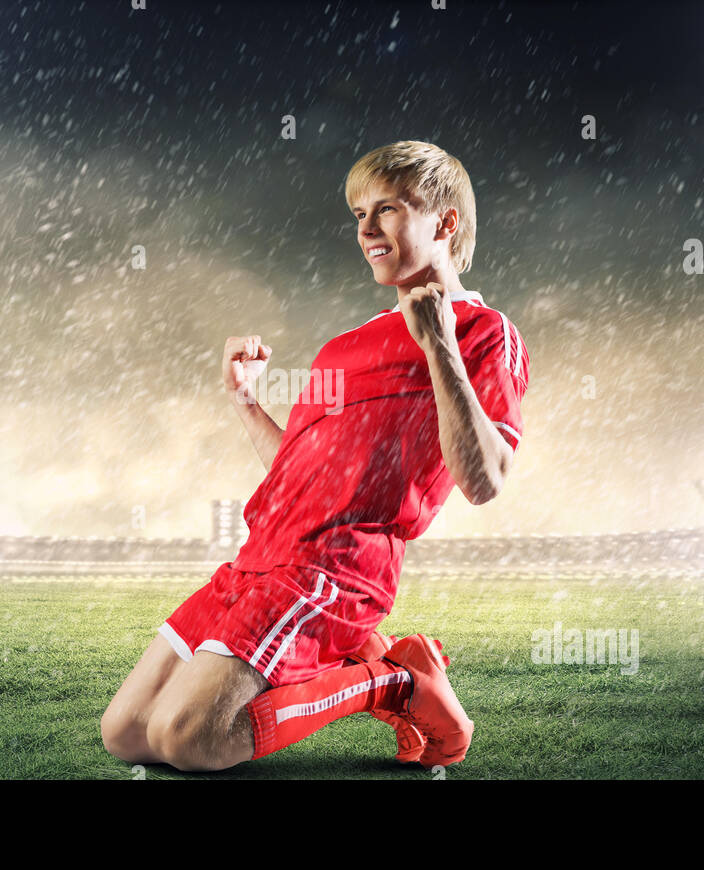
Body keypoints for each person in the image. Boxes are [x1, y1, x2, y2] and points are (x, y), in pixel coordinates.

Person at [100, 140, 530, 772]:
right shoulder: (343, 348)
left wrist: (438, 342)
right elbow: (296, 472)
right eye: (358, 213)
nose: (366, 227)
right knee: (128, 733)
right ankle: (380, 665)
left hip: (334, 570)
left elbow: (485, 479)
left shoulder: (484, 332)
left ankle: (395, 679)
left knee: (190, 740)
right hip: (258, 561)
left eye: (386, 209)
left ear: (444, 223)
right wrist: (245, 402)